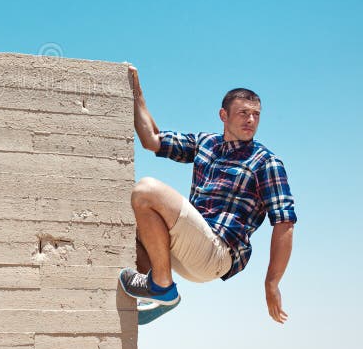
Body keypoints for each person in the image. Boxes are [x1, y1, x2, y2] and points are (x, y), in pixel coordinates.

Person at [118, 66, 297, 325]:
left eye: (256, 114)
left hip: (217, 252)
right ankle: (143, 293)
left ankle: (163, 287)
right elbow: (152, 139)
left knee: (145, 191)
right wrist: (137, 96)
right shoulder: (206, 144)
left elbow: (285, 223)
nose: (251, 120)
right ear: (223, 115)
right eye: (243, 113)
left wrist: (272, 283)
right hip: (187, 248)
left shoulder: (266, 162)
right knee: (130, 226)